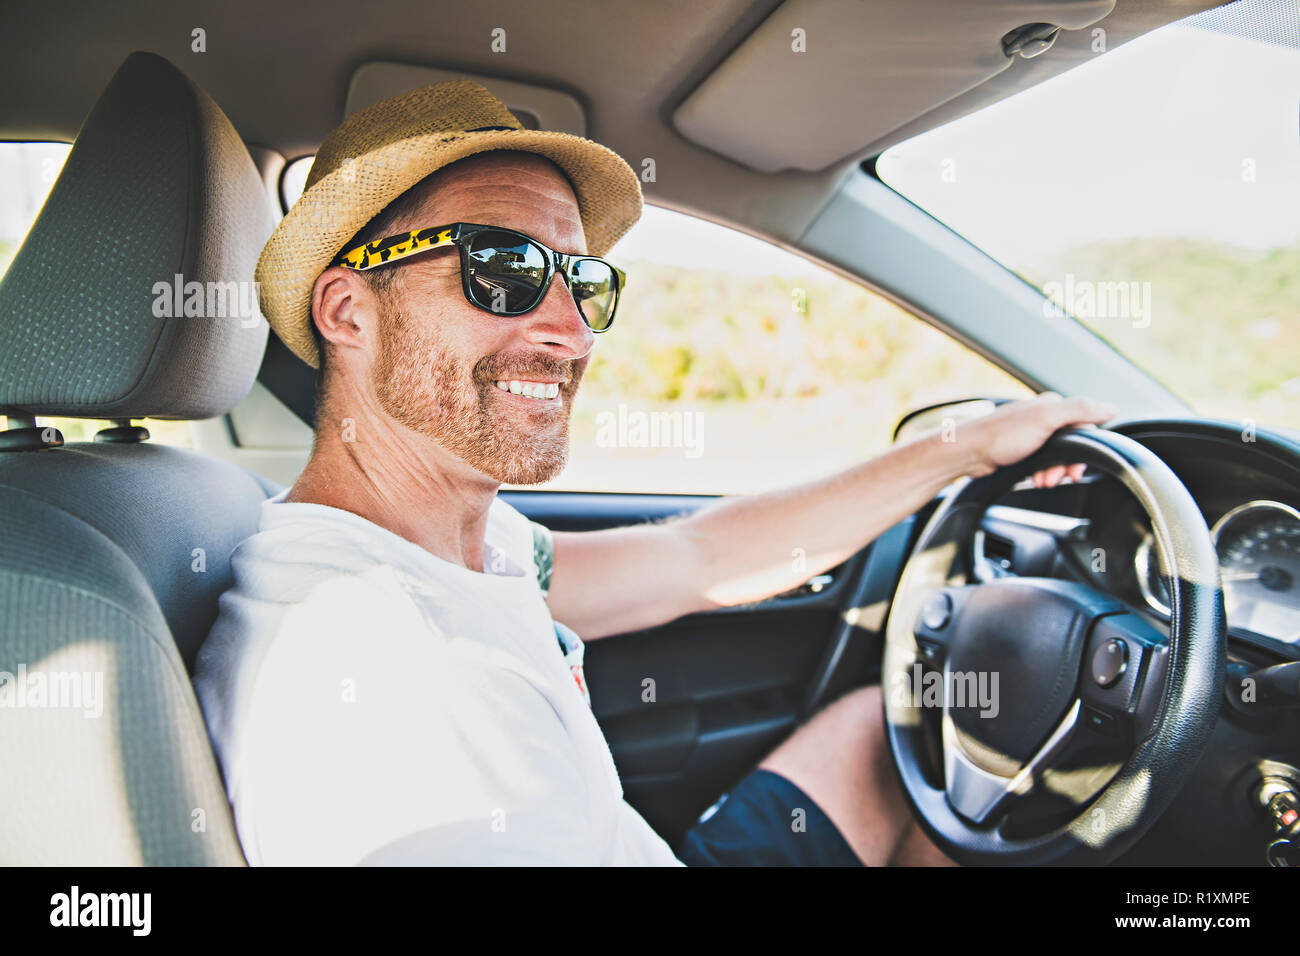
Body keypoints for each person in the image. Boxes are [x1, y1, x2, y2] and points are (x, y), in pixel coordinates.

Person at [193, 79, 1113, 866]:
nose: (570, 329)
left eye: (581, 281)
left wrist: (963, 450)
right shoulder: (372, 671)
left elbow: (693, 557)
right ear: (348, 311)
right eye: (503, 268)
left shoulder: (458, 544)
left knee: (888, 731)